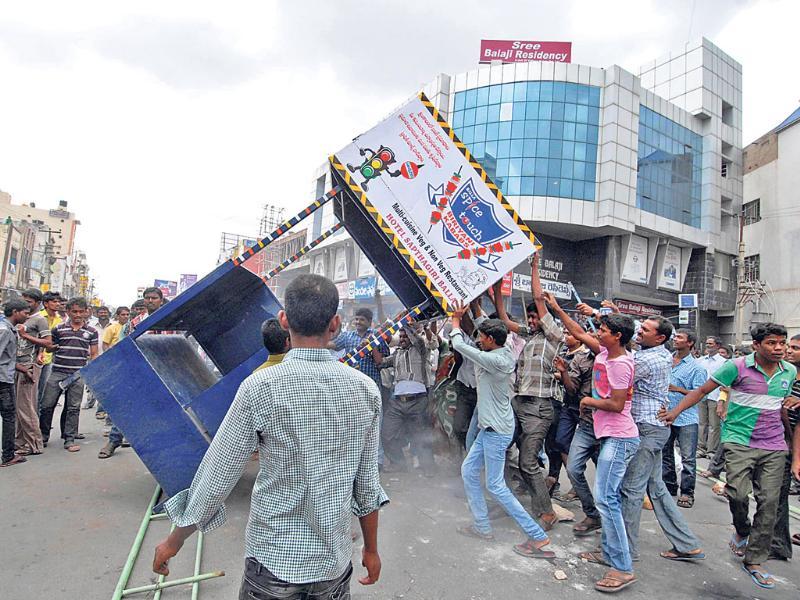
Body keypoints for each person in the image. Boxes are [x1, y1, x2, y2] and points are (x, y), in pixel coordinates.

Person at [152, 274, 388, 597]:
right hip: (332, 567)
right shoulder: (365, 390)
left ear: (284, 320)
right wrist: (371, 551)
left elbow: (216, 476)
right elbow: (367, 484)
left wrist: (172, 542)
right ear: (335, 324)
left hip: (274, 562)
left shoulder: (260, 387)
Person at [661, 323, 796, 590]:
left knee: (769, 502)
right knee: (736, 493)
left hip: (774, 445)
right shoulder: (735, 366)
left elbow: (781, 407)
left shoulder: (789, 372)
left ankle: (754, 560)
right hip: (738, 441)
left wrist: (790, 443)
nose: (779, 348)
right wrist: (675, 413)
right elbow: (701, 391)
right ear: (756, 345)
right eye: (772, 343)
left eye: (782, 343)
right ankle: (742, 530)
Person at [545, 293, 639, 592]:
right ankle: (608, 553)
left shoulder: (622, 363)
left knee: (607, 499)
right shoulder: (603, 352)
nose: (598, 333)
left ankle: (623, 567)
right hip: (603, 431)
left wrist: (587, 399)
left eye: (604, 331)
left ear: (618, 336)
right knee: (603, 496)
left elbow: (617, 404)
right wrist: (557, 309)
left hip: (619, 436)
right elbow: (577, 331)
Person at [449, 301, 554, 559]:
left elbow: (460, 345)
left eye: (482, 337)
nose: (479, 340)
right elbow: (481, 331)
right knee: (469, 471)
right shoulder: (500, 347)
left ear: (491, 340)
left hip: (496, 431)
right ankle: (482, 526)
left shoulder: (495, 359)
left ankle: (538, 536)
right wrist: (470, 313)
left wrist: (454, 323)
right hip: (490, 428)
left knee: (495, 485)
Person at [613, 313, 704, 566]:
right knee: (657, 488)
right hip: (655, 427)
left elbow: (619, 373)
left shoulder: (646, 359)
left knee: (631, 490)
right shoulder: (662, 353)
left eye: (645, 330)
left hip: (646, 428)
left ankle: (624, 552)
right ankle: (687, 544)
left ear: (660, 338)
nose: (639, 331)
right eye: (639, 327)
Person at [495, 253, 563, 530]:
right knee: (502, 450)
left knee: (528, 461)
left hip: (539, 408)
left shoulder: (553, 336)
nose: (533, 320)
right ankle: (514, 498)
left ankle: (546, 512)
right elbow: (503, 318)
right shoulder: (530, 335)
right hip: (520, 404)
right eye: (531, 318)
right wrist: (497, 288)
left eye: (537, 317)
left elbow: (538, 299)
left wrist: (534, 267)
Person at [39, 297, 98, 452]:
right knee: (47, 405)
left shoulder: (92, 332)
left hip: (77, 374)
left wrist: (91, 371)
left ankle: (69, 438)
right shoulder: (58, 329)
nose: (78, 314)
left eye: (81, 311)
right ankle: (43, 436)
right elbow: (49, 348)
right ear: (68, 312)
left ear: (86, 312)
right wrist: (51, 347)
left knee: (73, 407)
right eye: (74, 311)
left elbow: (94, 354)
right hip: (57, 372)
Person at [380, 325, 436, 475]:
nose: (403, 339)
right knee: (387, 434)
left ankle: (428, 469)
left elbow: (419, 340)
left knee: (421, 436)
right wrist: (373, 344)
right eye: (401, 336)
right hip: (397, 402)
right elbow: (381, 362)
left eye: (406, 336)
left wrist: (404, 323)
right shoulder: (397, 354)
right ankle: (399, 463)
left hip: (418, 401)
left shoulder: (420, 350)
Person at [662, 329, 707, 508]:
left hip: (686, 417)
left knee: (688, 457)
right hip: (665, 414)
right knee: (666, 453)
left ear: (690, 343)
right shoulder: (667, 360)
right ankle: (669, 485)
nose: (675, 339)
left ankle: (687, 492)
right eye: (675, 336)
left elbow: (700, 394)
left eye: (680, 337)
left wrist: (679, 389)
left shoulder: (697, 367)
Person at [552, 330, 594, 504]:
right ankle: (577, 485)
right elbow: (571, 388)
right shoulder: (577, 358)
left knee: (597, 454)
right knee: (561, 442)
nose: (566, 336)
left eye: (570, 333)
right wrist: (563, 373)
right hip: (570, 405)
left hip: (591, 411)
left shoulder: (607, 360)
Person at [14, 289, 55, 457]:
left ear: (38, 303)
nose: (26, 304)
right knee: (18, 407)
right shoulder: (24, 317)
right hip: (18, 366)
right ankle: (20, 442)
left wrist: (25, 336)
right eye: (24, 301)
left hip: (29, 367)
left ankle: (34, 443)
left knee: (26, 407)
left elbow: (48, 343)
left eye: (29, 302)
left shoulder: (40, 320)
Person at [770, 333, 800, 559]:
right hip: (783, 441)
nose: (789, 351)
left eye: (795, 348)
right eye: (789, 346)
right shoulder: (788, 375)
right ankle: (777, 543)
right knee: (777, 495)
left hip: (793, 445)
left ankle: (778, 545)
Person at [0, 299, 32, 467]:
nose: (27, 316)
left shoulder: (8, 328)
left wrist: (23, 369)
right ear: (15, 312)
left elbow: (7, 359)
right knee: (8, 416)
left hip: (6, 376)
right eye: (25, 313)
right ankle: (7, 455)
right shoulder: (5, 330)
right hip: (3, 380)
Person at [695, 336, 726, 459]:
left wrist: (721, 400)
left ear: (718, 346)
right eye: (707, 343)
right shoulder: (700, 361)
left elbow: (724, 382)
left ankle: (711, 450)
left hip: (715, 396)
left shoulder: (723, 362)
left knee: (714, 425)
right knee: (701, 423)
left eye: (711, 344)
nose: (708, 346)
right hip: (701, 395)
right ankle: (700, 447)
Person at [36, 291, 63, 413]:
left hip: (50, 359)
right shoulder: (38, 317)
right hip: (36, 358)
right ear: (46, 303)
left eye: (58, 301)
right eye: (54, 301)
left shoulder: (60, 320)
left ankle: (39, 419)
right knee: (33, 391)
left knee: (44, 391)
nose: (57, 304)